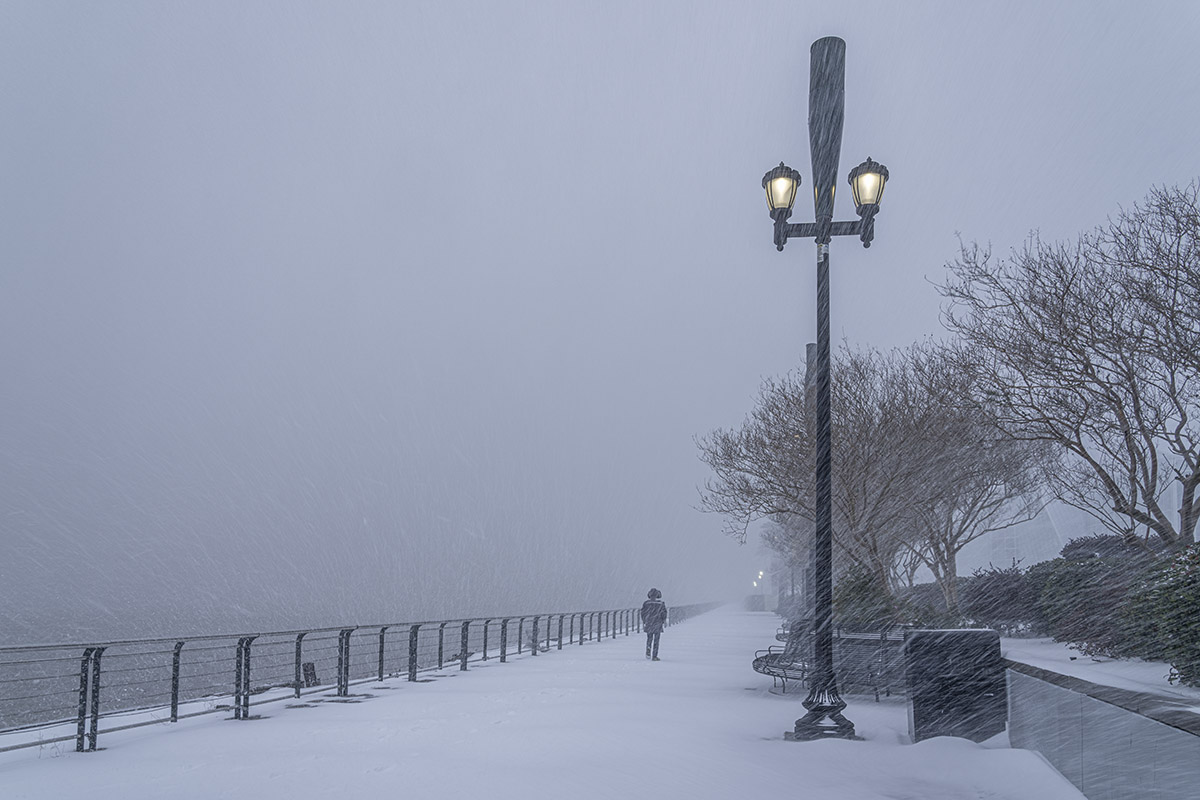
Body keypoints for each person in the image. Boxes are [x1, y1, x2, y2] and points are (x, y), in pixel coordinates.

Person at [640, 588, 667, 660]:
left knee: (649, 638)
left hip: (649, 623)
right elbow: (664, 614)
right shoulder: (661, 604)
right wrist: (663, 621)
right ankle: (654, 656)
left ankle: (648, 651)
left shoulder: (646, 603)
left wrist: (645, 621)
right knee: (656, 640)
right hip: (657, 624)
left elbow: (643, 613)